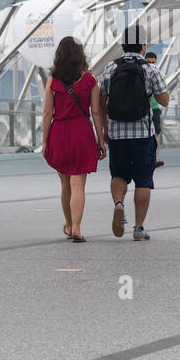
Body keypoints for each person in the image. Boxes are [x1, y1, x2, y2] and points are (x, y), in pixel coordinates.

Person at [98, 25, 168, 240]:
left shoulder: (110, 68)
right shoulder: (150, 69)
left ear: (122, 44)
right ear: (143, 45)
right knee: (143, 180)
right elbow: (164, 100)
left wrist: (103, 131)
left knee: (118, 175)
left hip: (117, 135)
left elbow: (100, 103)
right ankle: (138, 227)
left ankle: (119, 204)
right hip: (143, 134)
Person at [42, 36, 107, 242]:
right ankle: (77, 227)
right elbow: (96, 112)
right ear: (80, 56)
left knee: (64, 184)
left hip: (59, 133)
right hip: (82, 133)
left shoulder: (53, 81)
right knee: (78, 182)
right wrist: (100, 140)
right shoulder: (90, 80)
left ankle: (69, 225)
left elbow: (47, 114)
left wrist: (44, 141)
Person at [144, 51, 165, 167]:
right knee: (149, 135)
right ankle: (151, 158)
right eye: (149, 62)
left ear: (156, 61)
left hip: (154, 108)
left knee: (155, 134)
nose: (151, 64)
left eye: (153, 62)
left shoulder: (143, 73)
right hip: (145, 108)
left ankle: (154, 158)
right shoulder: (157, 74)